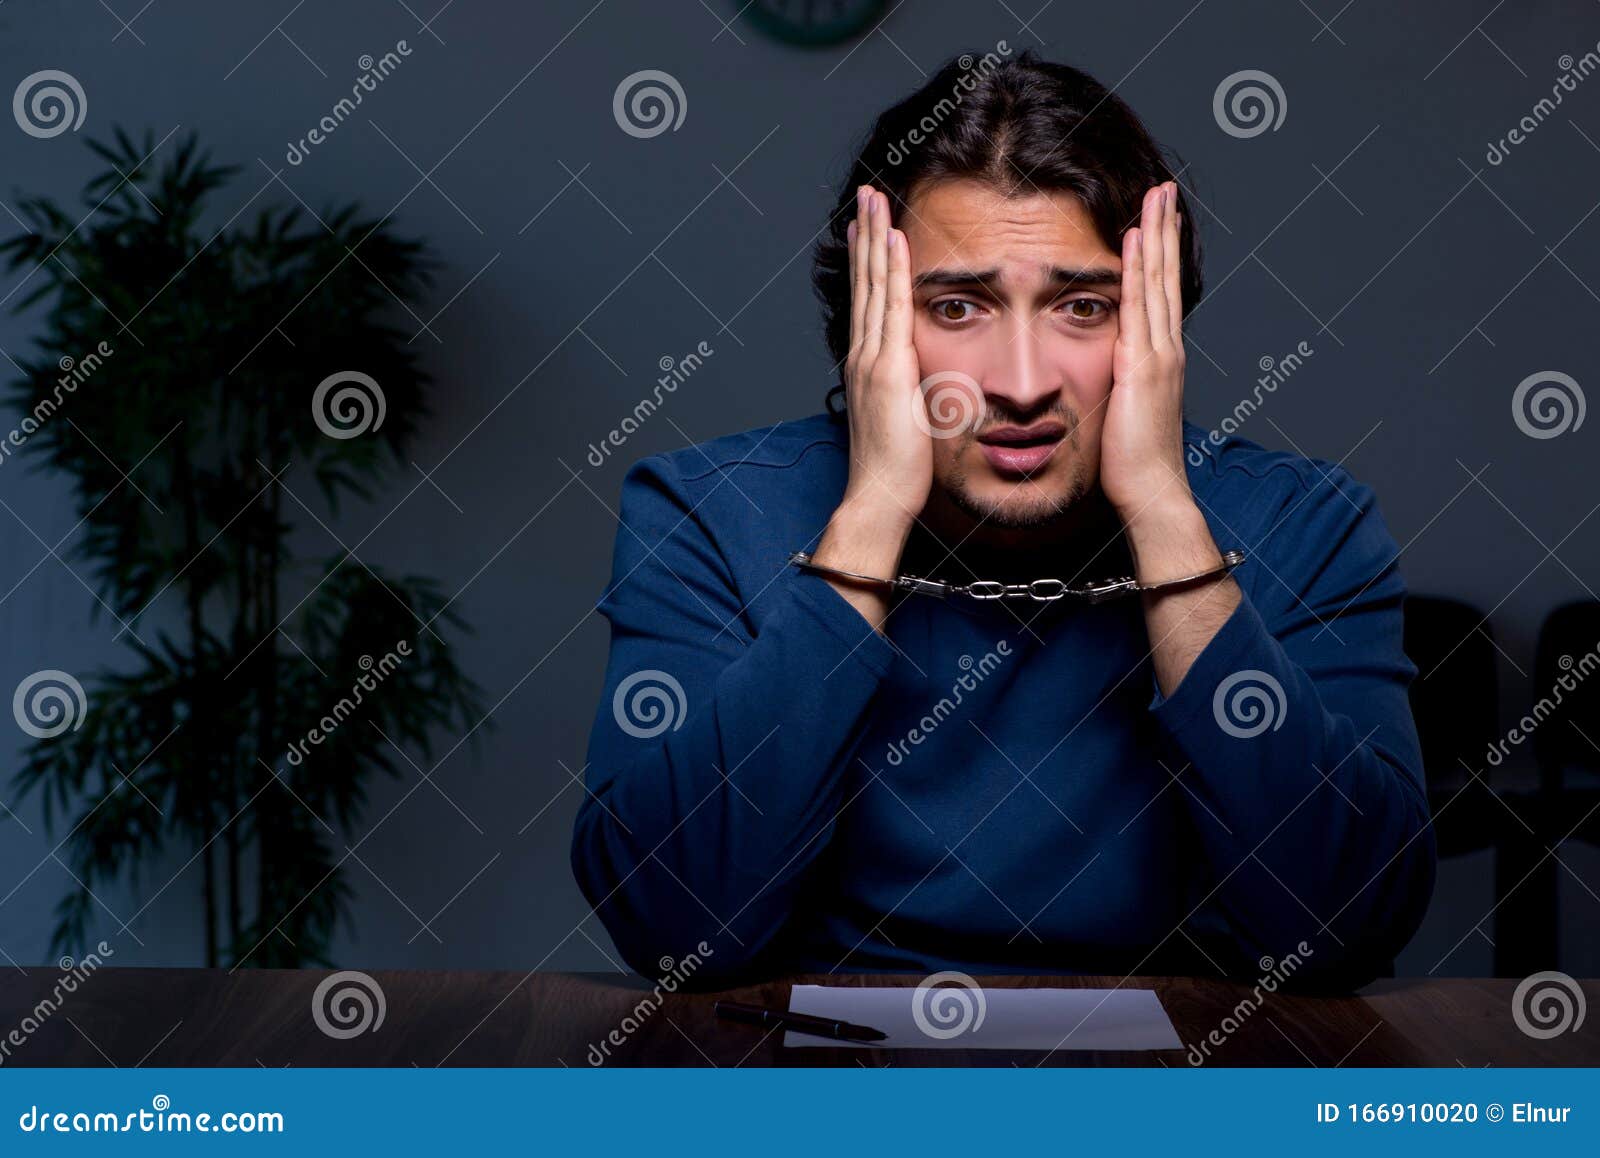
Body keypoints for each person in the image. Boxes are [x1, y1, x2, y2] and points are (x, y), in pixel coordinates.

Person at [571, 49, 1434, 990]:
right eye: (957, 305)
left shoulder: (1307, 523)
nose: (1021, 385)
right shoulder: (705, 512)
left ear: (1158, 323)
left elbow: (1352, 927)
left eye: (1083, 306)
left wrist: (1161, 513)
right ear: (868, 322)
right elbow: (670, 927)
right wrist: (871, 513)